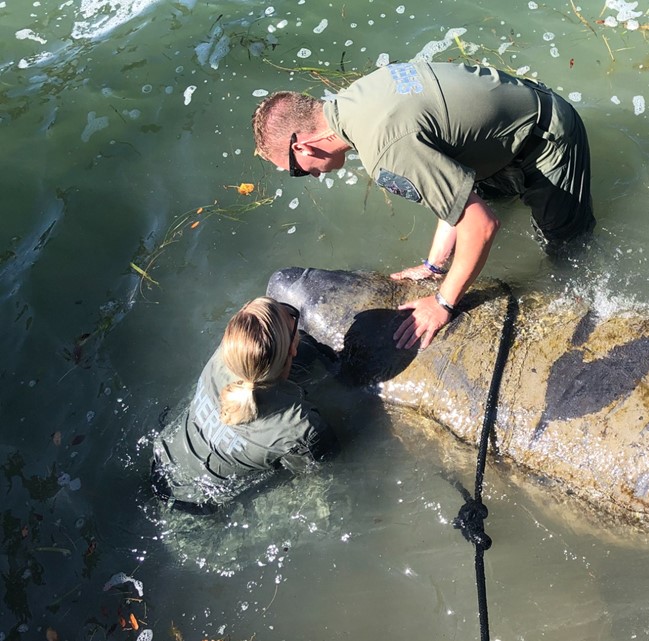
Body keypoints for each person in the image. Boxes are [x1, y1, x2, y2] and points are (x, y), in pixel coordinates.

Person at [251, 61, 595, 350]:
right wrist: (433, 265)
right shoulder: (359, 97)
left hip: (548, 138)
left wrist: (442, 303)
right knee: (477, 207)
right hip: (512, 117)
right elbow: (449, 189)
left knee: (567, 250)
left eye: (296, 171)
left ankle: (588, 307)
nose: (309, 177)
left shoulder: (386, 154)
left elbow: (482, 225)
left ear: (303, 148)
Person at [151, 297, 329, 512]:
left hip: (161, 458)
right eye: (292, 315)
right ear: (293, 348)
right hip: (198, 503)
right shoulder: (299, 426)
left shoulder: (221, 356)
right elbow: (320, 465)